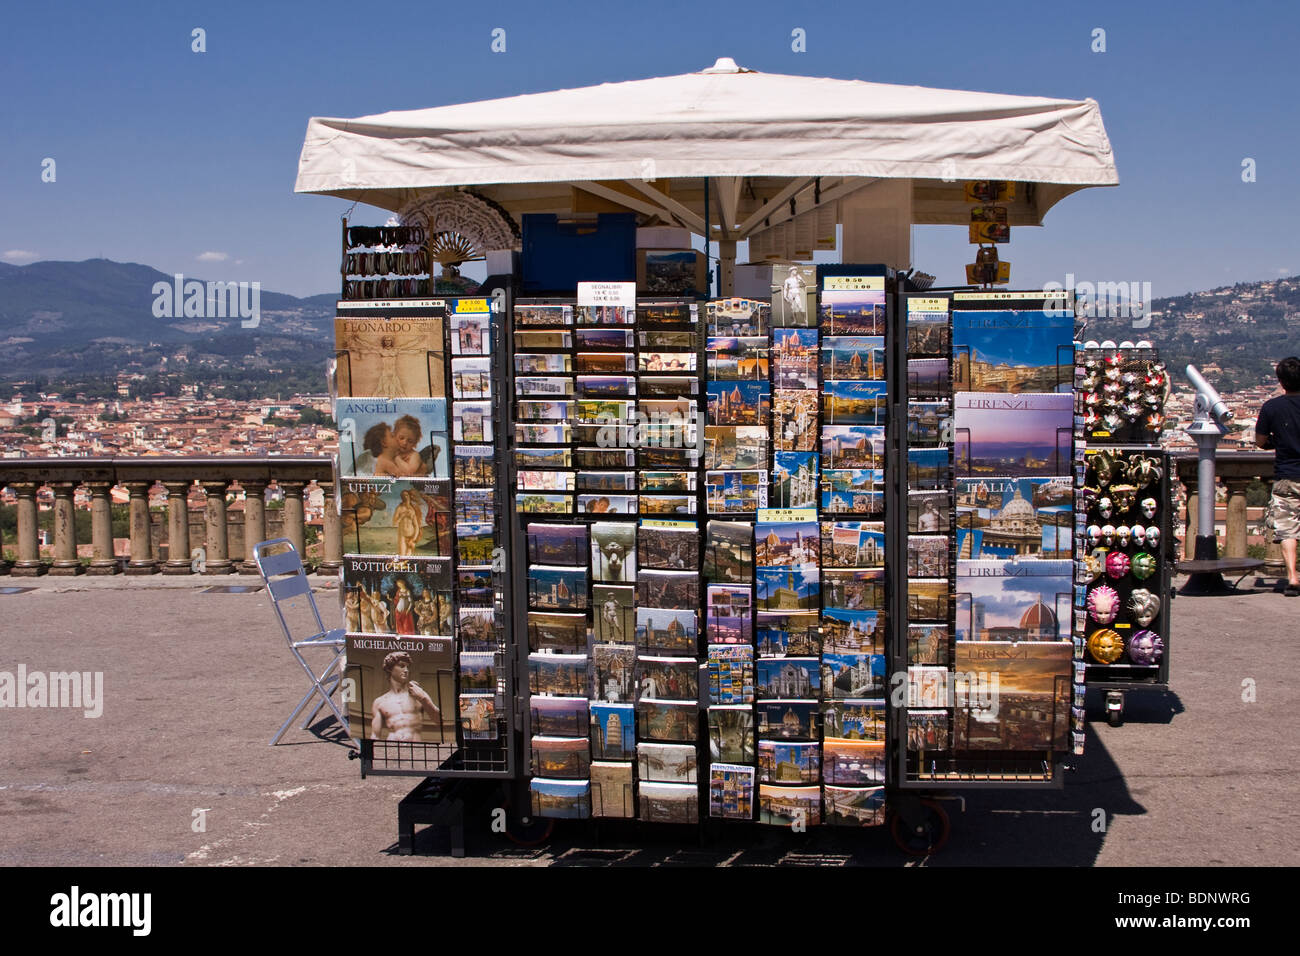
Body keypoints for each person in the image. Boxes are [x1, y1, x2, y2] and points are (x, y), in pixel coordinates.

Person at [1256, 356, 1300, 595]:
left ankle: (1292, 577)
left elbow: (1260, 441)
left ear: (1281, 381)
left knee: (1287, 529)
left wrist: (1278, 441)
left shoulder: (1272, 408)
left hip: (1287, 475)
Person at [371, 651, 439, 741]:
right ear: (390, 669)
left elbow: (439, 721)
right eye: (402, 666)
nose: (406, 670)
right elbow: (375, 736)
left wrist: (423, 699)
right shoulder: (380, 702)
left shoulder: (418, 694)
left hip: (416, 749)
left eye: (407, 667)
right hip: (392, 749)